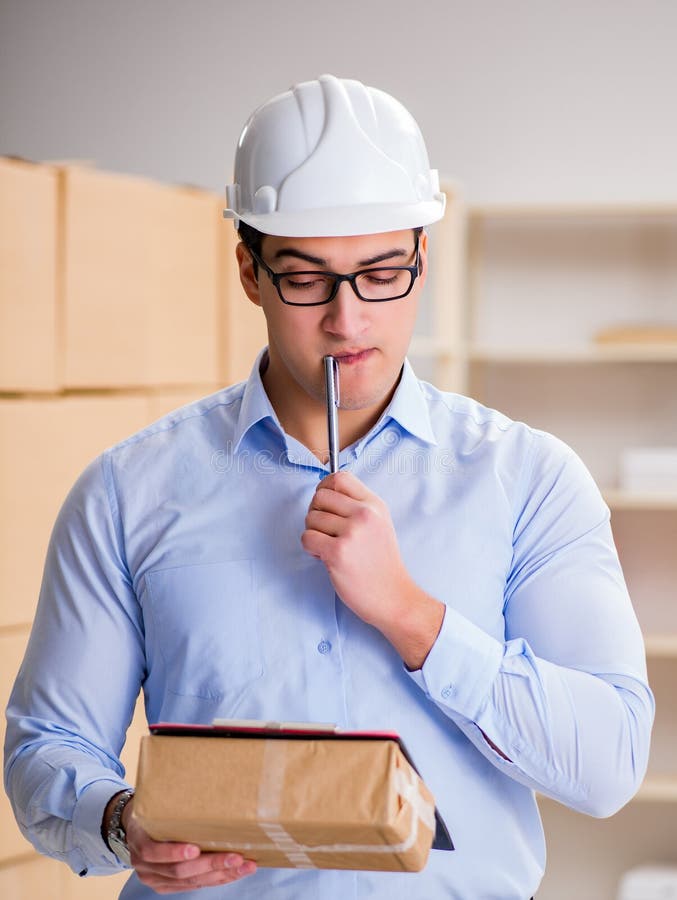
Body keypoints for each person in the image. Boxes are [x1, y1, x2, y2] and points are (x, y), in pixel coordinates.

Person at [4, 74, 653, 899]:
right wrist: (119, 819)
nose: (348, 320)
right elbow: (46, 747)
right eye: (307, 279)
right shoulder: (126, 493)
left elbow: (605, 764)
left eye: (381, 272)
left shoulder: (528, 479)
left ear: (422, 261)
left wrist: (412, 616)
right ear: (250, 271)